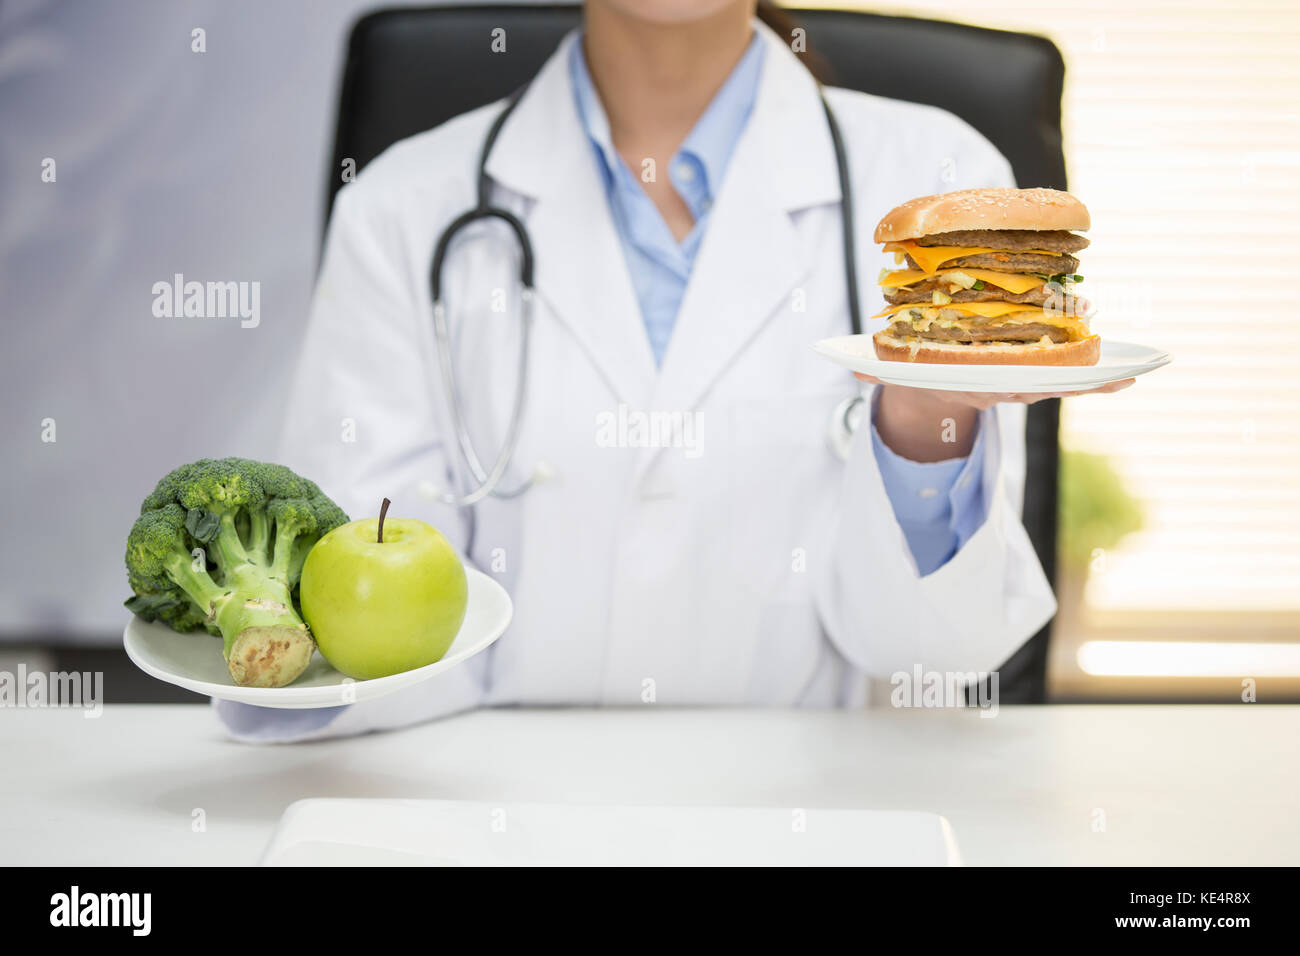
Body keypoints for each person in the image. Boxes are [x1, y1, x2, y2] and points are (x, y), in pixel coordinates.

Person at [217, 0, 1130, 742]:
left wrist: (923, 415)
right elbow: (360, 643)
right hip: (494, 814)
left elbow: (936, 654)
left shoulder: (939, 182)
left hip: (825, 818)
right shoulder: (402, 207)